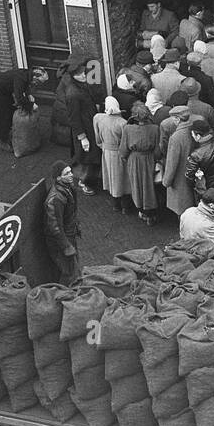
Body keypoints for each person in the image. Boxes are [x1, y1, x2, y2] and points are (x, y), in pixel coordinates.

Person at [0, 66, 47, 145]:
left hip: (2, 91)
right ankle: (4, 141)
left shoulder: (27, 74)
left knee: (9, 110)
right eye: (38, 82)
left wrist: (28, 95)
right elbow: (19, 98)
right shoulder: (21, 78)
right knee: (3, 115)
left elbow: (24, 86)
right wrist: (31, 105)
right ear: (35, 77)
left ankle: (8, 135)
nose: (37, 84)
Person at [43, 160, 82, 283]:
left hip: (69, 235)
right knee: (69, 273)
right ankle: (65, 297)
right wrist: (66, 246)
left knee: (73, 270)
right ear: (59, 178)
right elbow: (55, 227)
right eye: (67, 173)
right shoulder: (55, 199)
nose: (71, 175)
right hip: (60, 242)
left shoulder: (68, 188)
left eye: (70, 171)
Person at [122, 102, 161, 225]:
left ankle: (141, 209)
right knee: (149, 185)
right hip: (149, 158)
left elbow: (123, 150)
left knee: (136, 184)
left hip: (134, 159)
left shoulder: (127, 129)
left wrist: (125, 158)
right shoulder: (155, 129)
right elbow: (158, 150)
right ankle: (151, 213)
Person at [64, 63, 99, 195]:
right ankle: (84, 182)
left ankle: (86, 179)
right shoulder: (72, 94)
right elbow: (73, 118)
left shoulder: (80, 86)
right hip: (85, 129)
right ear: (74, 76)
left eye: (84, 72)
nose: (84, 75)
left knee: (88, 156)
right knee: (87, 157)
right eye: (81, 74)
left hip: (89, 124)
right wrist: (82, 137)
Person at [93, 96, 129, 214]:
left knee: (111, 177)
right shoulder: (123, 123)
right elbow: (125, 142)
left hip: (106, 152)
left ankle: (115, 204)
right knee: (122, 179)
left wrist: (103, 146)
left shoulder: (98, 118)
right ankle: (125, 206)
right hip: (119, 153)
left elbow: (97, 139)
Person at [161, 104, 195, 221]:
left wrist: (166, 181)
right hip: (193, 176)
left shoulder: (176, 137)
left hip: (179, 180)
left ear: (177, 119)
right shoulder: (193, 129)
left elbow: (172, 163)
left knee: (182, 213)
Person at [184, 116, 214, 207]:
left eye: (193, 135)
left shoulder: (195, 155)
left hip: (205, 190)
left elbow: (189, 176)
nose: (192, 137)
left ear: (198, 136)